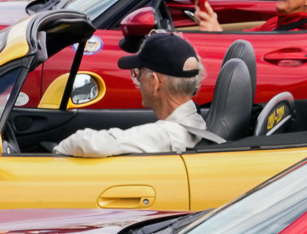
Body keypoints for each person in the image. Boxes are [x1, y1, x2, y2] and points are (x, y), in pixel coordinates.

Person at [55, 32, 211, 157]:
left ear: (154, 82)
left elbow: (87, 144)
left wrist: (57, 151)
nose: (137, 80)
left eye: (138, 73)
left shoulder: (167, 134)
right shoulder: (196, 122)